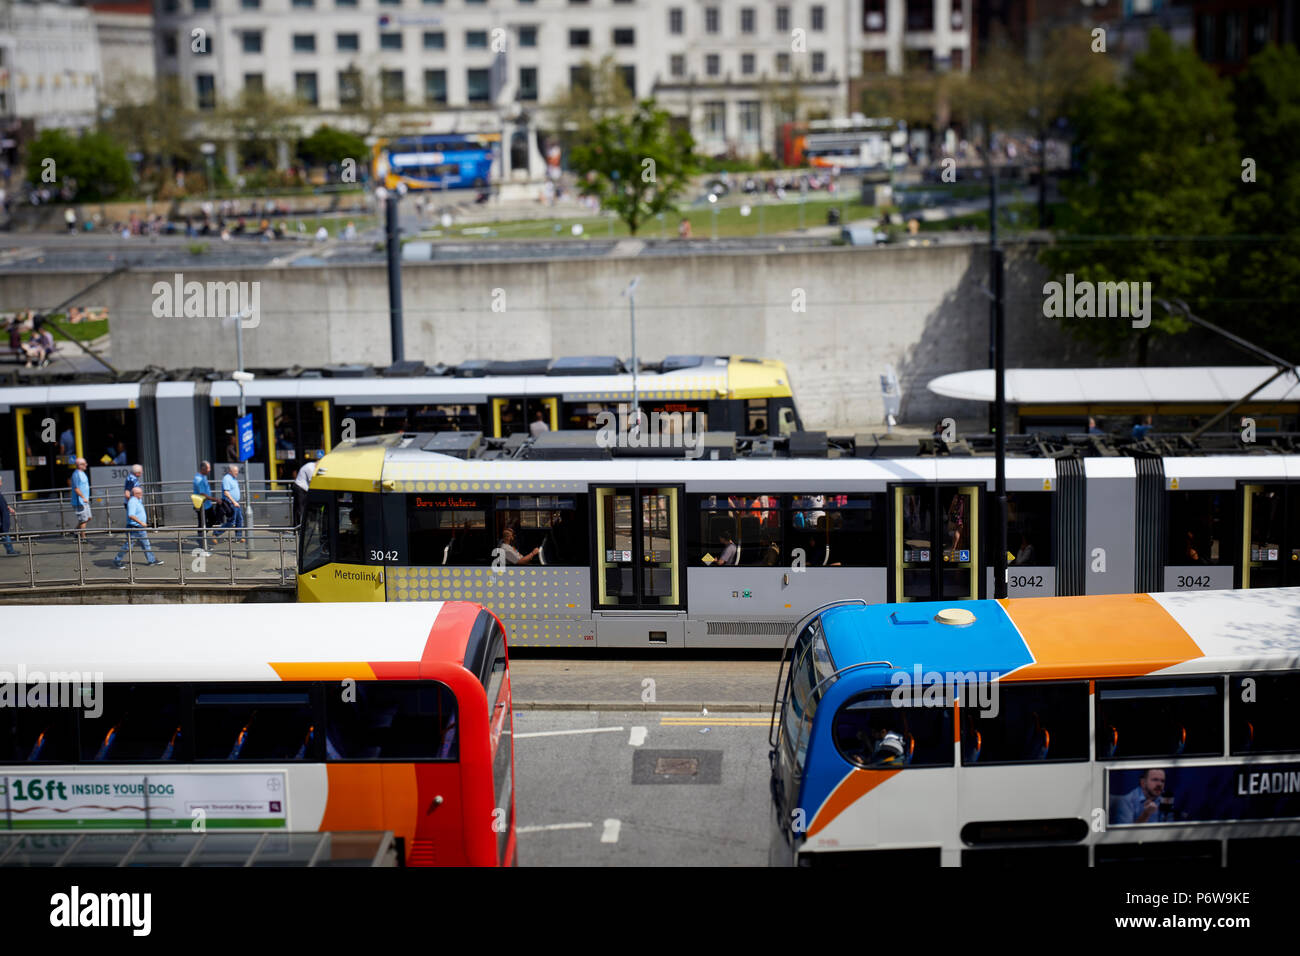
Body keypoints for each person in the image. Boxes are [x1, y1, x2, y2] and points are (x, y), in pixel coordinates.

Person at [114, 485, 163, 568]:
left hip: (139, 528)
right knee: (129, 545)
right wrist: (141, 522)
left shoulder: (137, 500)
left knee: (145, 544)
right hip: (134, 528)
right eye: (140, 493)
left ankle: (151, 560)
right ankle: (117, 560)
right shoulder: (133, 502)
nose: (142, 494)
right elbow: (131, 515)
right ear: (135, 494)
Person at [215, 464, 244, 541]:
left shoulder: (233, 478)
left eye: (237, 471)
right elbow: (226, 493)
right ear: (230, 471)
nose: (237, 473)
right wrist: (234, 502)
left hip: (236, 503)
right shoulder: (226, 479)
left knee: (239, 520)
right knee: (231, 522)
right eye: (235, 471)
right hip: (231, 503)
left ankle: (238, 537)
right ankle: (216, 533)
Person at [69, 457, 91, 537]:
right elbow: (76, 488)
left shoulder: (82, 473)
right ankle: (83, 537)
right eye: (84, 464)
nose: (86, 465)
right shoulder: (76, 474)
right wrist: (83, 497)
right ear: (79, 465)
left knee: (88, 518)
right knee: (83, 520)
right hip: (80, 501)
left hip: (84, 501)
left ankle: (75, 531)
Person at [293, 460, 318, 526]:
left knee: (299, 508)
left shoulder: (311, 466)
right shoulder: (310, 467)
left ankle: (298, 525)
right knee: (300, 508)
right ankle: (300, 526)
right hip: (300, 488)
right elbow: (312, 481)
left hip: (301, 488)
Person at [193, 460, 217, 527]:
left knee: (213, 520)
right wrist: (215, 499)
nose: (209, 470)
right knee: (202, 522)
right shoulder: (199, 479)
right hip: (202, 505)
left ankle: (203, 534)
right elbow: (202, 494)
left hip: (207, 504)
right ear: (203, 468)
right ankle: (201, 535)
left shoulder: (203, 476)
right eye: (208, 468)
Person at [0, 474, 18, 555]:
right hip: (2, 518)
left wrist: (8, 507)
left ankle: (10, 550)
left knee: (5, 534)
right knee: (5, 534)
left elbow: (2, 503)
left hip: (3, 517)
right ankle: (10, 551)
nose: (1, 483)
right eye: (0, 481)